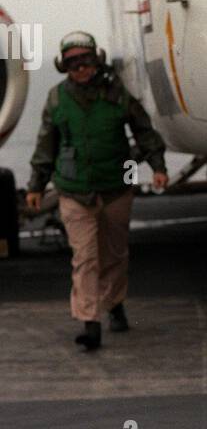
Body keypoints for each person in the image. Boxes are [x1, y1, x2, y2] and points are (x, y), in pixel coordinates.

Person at [25, 32, 168, 350]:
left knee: (115, 254)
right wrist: (36, 184)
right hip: (75, 192)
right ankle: (90, 323)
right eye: (73, 62)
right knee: (85, 257)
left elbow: (144, 132)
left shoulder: (118, 94)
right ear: (65, 66)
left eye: (85, 60)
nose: (81, 68)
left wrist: (158, 167)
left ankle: (114, 304)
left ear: (96, 60)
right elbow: (46, 144)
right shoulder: (57, 99)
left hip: (115, 188)